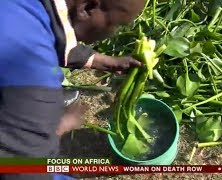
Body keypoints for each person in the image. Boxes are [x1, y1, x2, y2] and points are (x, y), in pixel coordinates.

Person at [0, 0, 145, 179]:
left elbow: (52, 27)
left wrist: (105, 61)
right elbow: (24, 170)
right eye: (116, 25)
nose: (113, 33)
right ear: (87, 8)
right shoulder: (33, 74)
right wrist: (50, 127)